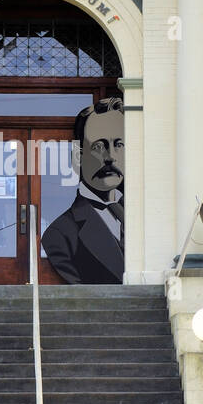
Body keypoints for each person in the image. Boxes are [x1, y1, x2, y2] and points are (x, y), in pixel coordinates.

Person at [41, 96, 124, 284]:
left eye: (118, 145)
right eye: (99, 146)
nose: (110, 157)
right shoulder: (59, 234)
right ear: (78, 157)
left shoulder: (144, 218)